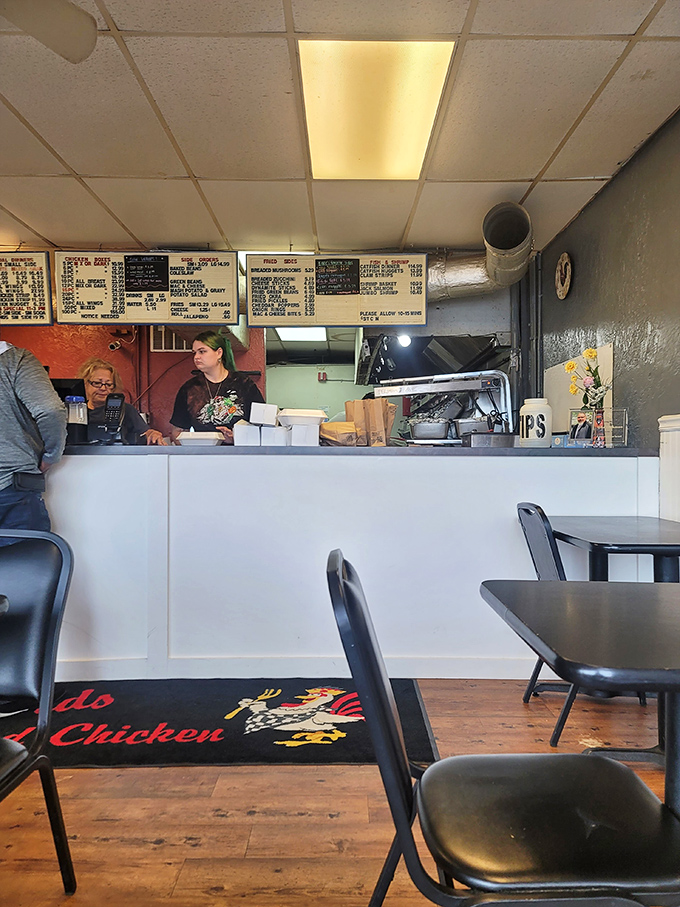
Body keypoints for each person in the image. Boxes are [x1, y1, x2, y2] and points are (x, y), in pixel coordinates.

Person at [0, 338, 67, 538]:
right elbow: (51, 410)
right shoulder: (16, 360)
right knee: (24, 564)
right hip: (11, 484)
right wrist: (51, 456)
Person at [170, 331, 265, 444]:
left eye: (202, 351)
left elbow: (263, 425)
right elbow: (177, 431)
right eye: (194, 353)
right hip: (203, 456)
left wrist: (237, 438)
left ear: (219, 353)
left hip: (240, 455)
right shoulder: (189, 389)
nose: (196, 357)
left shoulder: (243, 384)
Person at [77, 358, 166, 446]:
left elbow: (145, 433)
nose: (103, 388)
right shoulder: (75, 410)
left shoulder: (126, 409)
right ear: (85, 384)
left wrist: (152, 434)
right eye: (97, 383)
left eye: (109, 384)